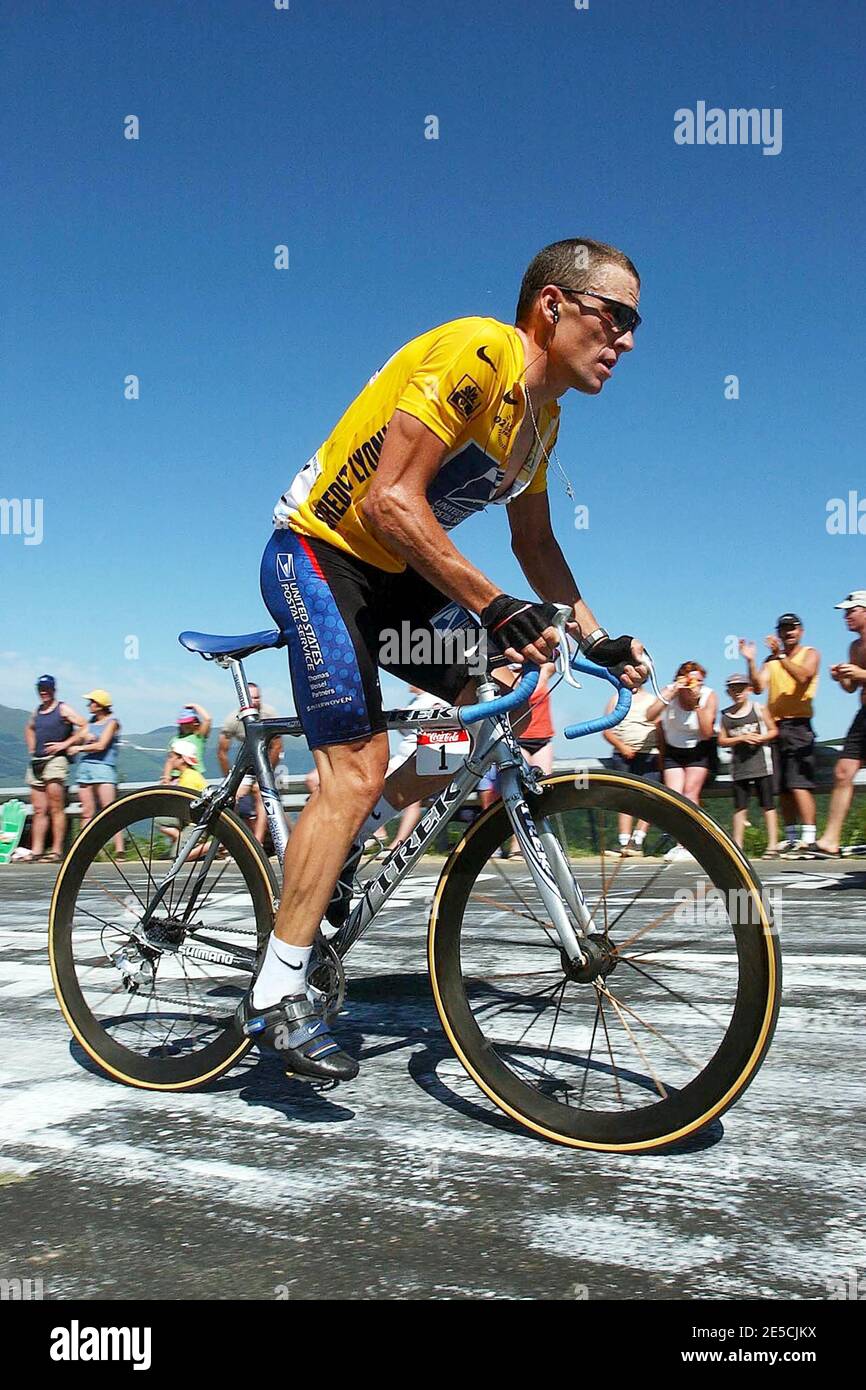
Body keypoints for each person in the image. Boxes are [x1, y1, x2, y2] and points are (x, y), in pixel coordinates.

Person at [246, 237, 649, 1081]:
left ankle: (344, 850)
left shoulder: (545, 421)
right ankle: (275, 994)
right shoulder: (479, 353)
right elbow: (388, 501)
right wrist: (493, 605)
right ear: (554, 305)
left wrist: (594, 635)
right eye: (616, 317)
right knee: (352, 768)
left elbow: (534, 543)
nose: (629, 340)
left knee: (497, 692)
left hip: (396, 578)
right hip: (321, 553)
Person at [740, 614, 820, 855]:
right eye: (784, 629)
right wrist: (751, 662)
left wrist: (782, 656)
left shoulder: (810, 653)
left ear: (801, 631)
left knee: (799, 783)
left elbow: (803, 676)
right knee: (783, 785)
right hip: (775, 726)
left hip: (798, 724)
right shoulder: (771, 660)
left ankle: (810, 836)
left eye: (792, 629)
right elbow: (757, 687)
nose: (788, 633)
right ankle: (792, 835)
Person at [811, 591, 866, 857]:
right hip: (864, 714)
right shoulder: (855, 647)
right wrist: (841, 677)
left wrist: (861, 674)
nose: (845, 617)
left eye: (850, 611)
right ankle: (830, 840)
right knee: (843, 771)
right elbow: (851, 688)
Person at [645, 662, 717, 862]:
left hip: (699, 749)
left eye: (699, 681)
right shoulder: (671, 691)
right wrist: (670, 693)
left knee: (690, 793)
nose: (695, 685)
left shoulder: (709, 696)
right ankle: (680, 842)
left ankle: (692, 844)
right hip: (673, 749)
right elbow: (649, 715)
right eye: (691, 680)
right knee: (675, 796)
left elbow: (707, 732)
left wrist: (696, 704)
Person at [23, 676, 86, 864]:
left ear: (53, 689)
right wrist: (32, 747)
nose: (43, 691)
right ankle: (37, 850)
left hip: (55, 761)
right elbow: (29, 728)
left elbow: (83, 726)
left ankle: (57, 850)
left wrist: (64, 744)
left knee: (56, 807)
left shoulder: (63, 708)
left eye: (47, 688)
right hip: (38, 761)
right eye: (41, 688)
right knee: (39, 809)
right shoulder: (38, 711)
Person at [717, 674, 779, 857]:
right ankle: (737, 846)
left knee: (768, 804)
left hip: (761, 763)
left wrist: (761, 738)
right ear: (728, 692)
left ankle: (773, 844)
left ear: (749, 690)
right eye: (733, 689)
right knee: (740, 806)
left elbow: (774, 730)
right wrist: (742, 738)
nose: (737, 692)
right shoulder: (726, 715)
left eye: (741, 688)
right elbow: (722, 739)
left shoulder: (758, 709)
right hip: (740, 766)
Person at [602, 671, 660, 855]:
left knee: (648, 797)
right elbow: (606, 729)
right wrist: (621, 746)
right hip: (622, 754)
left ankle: (638, 840)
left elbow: (660, 728)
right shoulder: (615, 699)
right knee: (625, 799)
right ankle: (624, 841)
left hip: (650, 754)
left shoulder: (653, 700)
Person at [217, 683, 282, 846]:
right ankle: (234, 841)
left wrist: (266, 775)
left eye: (257, 697)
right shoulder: (233, 720)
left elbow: (277, 746)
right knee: (234, 797)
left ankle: (257, 843)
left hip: (269, 760)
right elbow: (222, 752)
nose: (255, 701)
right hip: (249, 762)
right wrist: (231, 779)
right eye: (251, 698)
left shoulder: (269, 713)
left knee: (262, 794)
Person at [71, 689, 123, 856]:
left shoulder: (112, 722)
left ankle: (119, 848)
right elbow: (79, 737)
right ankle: (84, 850)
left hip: (104, 768)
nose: (89, 705)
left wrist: (81, 747)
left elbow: (101, 745)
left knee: (110, 810)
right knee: (87, 811)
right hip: (86, 768)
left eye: (92, 702)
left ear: (100, 705)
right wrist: (83, 739)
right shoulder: (90, 723)